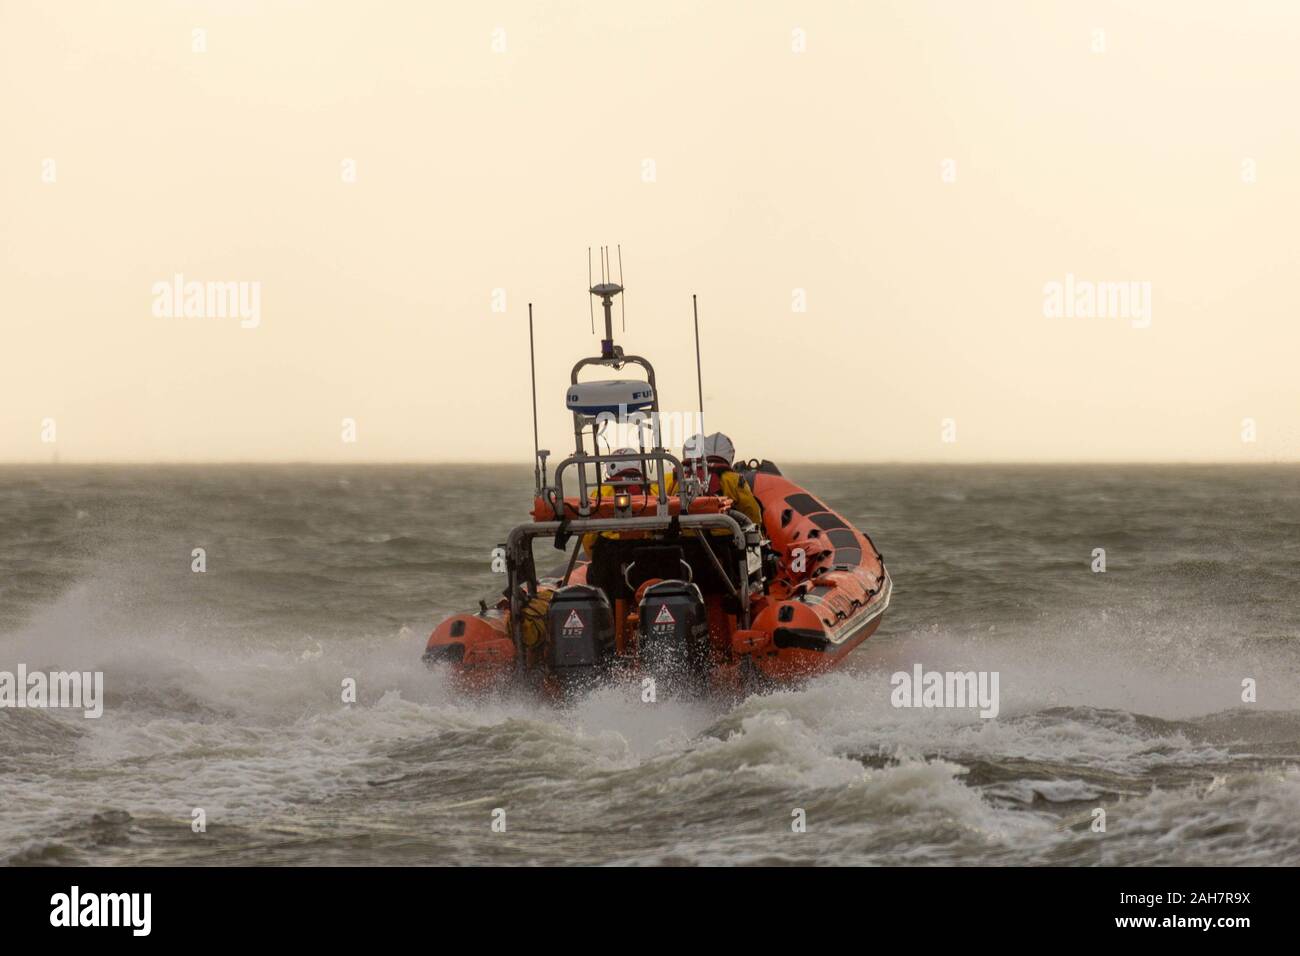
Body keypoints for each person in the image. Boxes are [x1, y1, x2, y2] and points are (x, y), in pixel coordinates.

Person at [667, 432, 762, 526]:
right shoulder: (733, 479)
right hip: (724, 536)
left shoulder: (682, 479)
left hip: (688, 535)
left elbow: (671, 505)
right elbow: (751, 510)